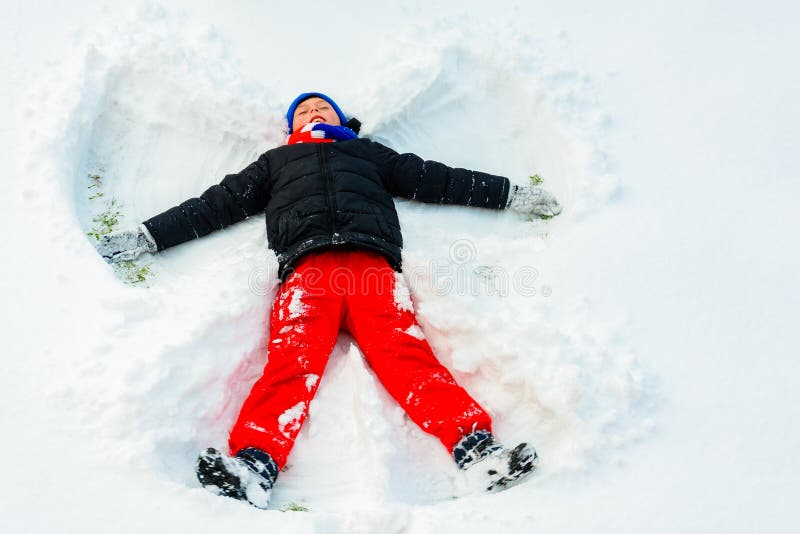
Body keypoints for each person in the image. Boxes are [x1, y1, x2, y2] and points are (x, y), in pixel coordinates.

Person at [97, 92, 562, 509]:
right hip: (308, 273)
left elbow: (435, 178)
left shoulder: (366, 154)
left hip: (372, 271)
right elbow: (215, 204)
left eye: (323, 107)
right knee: (290, 364)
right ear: (292, 126)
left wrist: (508, 193)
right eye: (304, 110)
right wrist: (147, 236)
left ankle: (478, 451)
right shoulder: (276, 162)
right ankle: (255, 465)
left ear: (342, 119)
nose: (315, 112)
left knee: (408, 358)